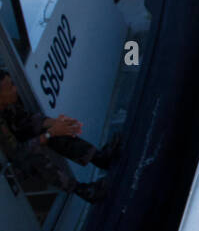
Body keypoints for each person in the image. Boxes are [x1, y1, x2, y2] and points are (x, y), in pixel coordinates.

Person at [0, 68, 118, 204]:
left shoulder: (8, 104)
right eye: (10, 88)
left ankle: (99, 158)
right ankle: (83, 191)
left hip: (20, 149)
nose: (15, 89)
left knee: (51, 128)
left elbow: (27, 121)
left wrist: (54, 124)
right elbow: (19, 153)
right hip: (12, 167)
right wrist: (51, 133)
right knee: (33, 155)